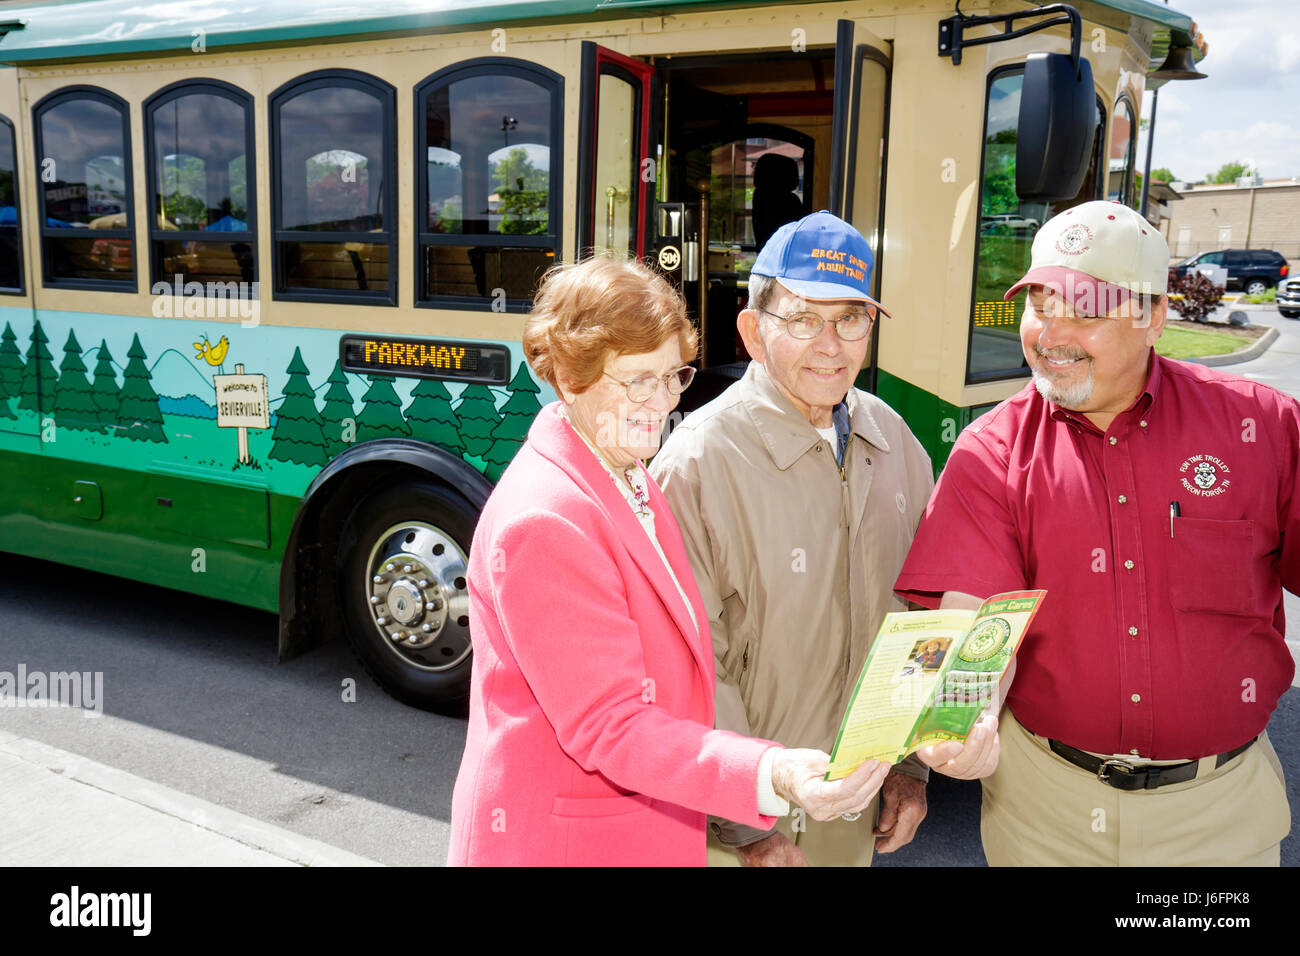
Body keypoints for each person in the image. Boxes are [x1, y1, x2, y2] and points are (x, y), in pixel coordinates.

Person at [446, 256, 889, 866]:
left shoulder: (624, 469)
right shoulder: (544, 520)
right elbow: (611, 725)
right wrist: (772, 769)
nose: (660, 402)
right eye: (636, 380)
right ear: (570, 378)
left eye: (672, 376)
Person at [895, 199, 1297, 866]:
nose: (1050, 334)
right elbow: (968, 619)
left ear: (1155, 317)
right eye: (1039, 305)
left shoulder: (1265, 427)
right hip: (1044, 815)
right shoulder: (989, 450)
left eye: (1084, 311)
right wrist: (951, 719)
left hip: (1220, 814)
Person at [652, 211, 1000, 868]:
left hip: (851, 806)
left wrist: (906, 769)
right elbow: (691, 664)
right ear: (754, 331)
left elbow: (917, 622)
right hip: (736, 823)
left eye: (850, 320)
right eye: (804, 319)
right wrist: (747, 824)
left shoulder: (895, 440)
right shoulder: (696, 465)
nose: (831, 344)